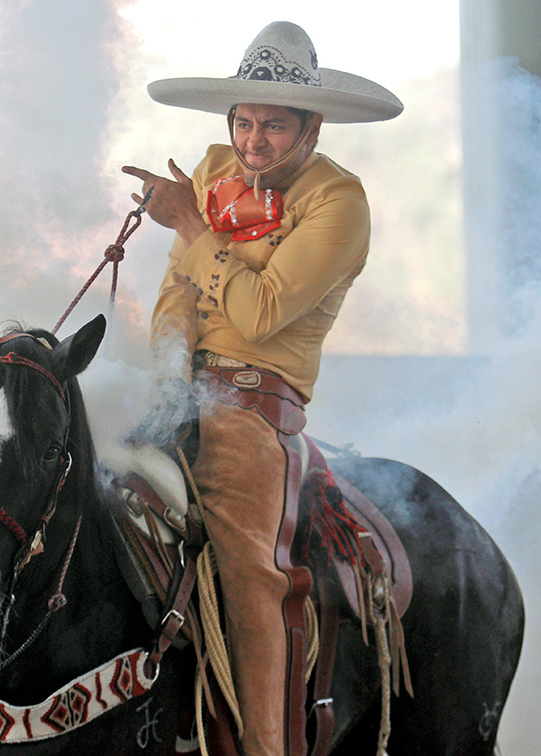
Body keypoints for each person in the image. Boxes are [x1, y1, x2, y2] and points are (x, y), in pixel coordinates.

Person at [122, 21, 402, 756]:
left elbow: (264, 309)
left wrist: (188, 222)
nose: (254, 140)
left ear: (311, 128)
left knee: (253, 579)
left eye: (274, 125)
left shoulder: (339, 202)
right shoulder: (214, 171)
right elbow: (175, 297)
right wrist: (162, 378)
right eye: (244, 122)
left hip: (253, 406)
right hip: (180, 387)